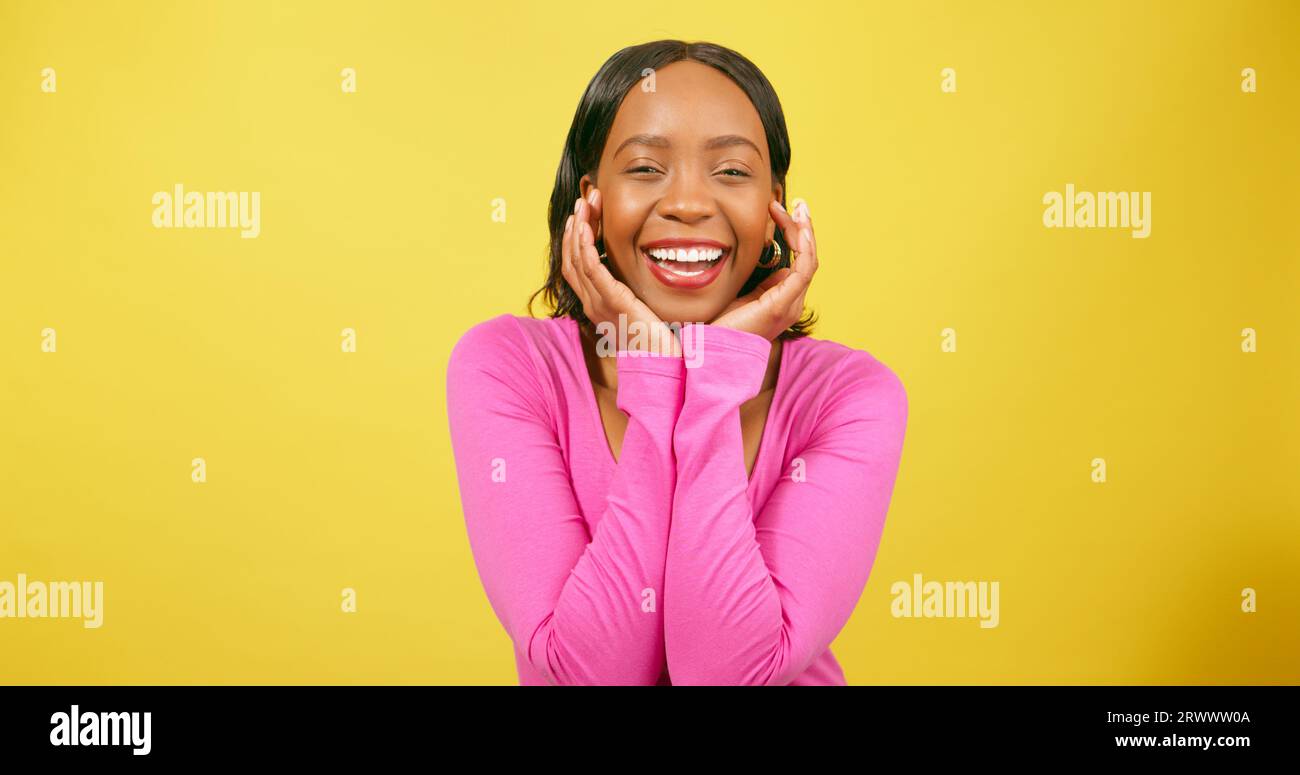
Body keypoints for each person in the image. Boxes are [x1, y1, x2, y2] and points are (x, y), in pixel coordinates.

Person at [446, 40, 908, 685]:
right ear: (590, 201)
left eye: (731, 172)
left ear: (775, 205)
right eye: (644, 168)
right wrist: (655, 377)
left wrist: (713, 379)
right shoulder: (507, 367)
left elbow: (728, 674)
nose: (689, 203)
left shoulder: (850, 396)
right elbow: (588, 673)